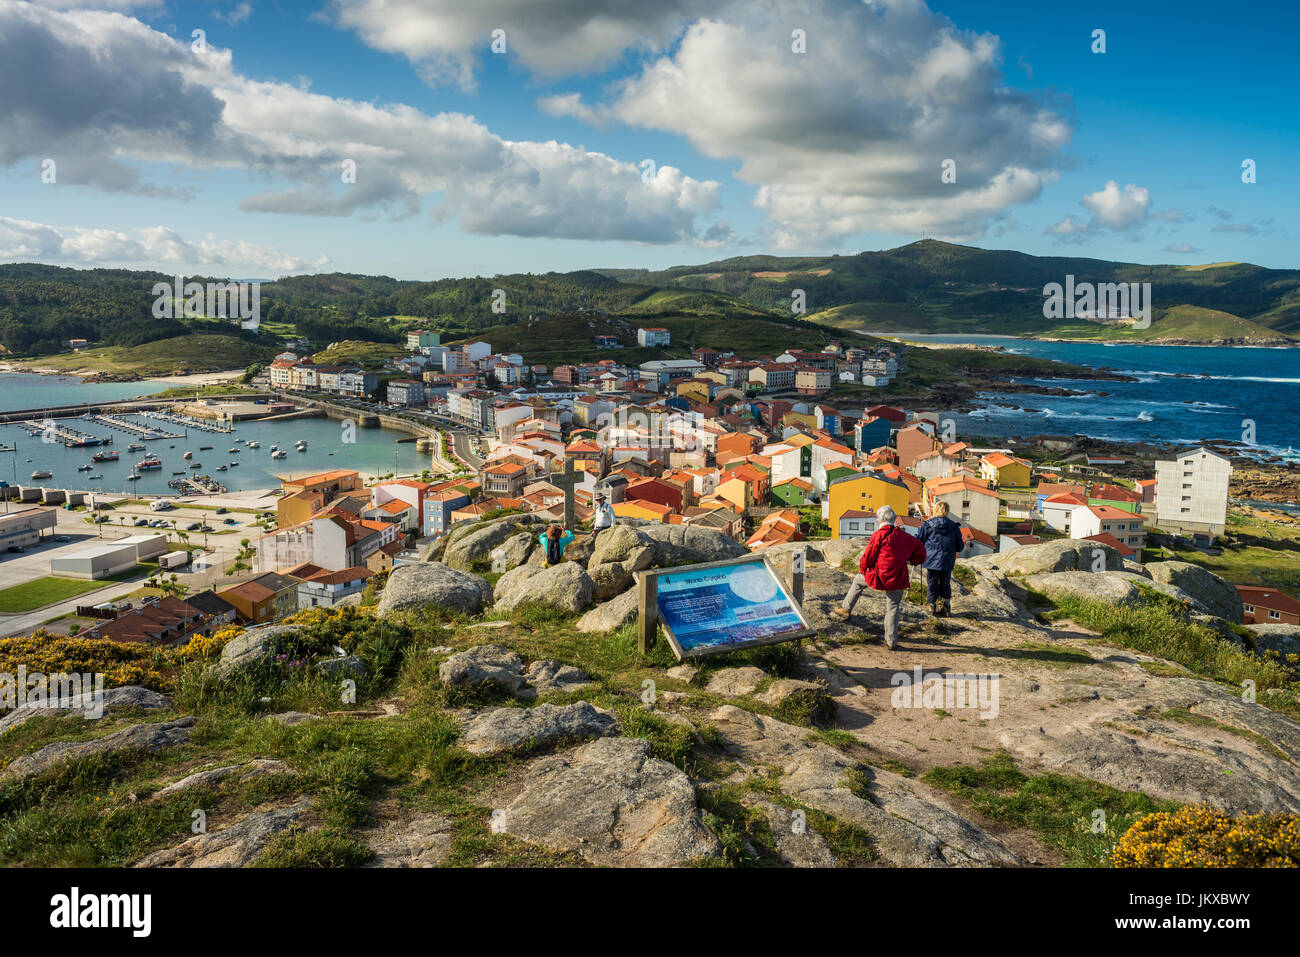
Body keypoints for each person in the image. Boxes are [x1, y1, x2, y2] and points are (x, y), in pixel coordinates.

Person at [829, 505, 925, 649]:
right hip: (897, 578)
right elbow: (921, 553)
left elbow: (867, 557)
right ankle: (891, 641)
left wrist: (863, 570)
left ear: (879, 520)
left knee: (857, 581)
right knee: (892, 608)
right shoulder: (906, 536)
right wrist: (911, 561)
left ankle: (845, 608)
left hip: (878, 576)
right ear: (894, 520)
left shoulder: (878, 535)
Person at [919, 501, 963, 617]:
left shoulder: (928, 525)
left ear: (935, 510)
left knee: (932, 582)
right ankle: (946, 606)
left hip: (932, 560)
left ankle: (932, 607)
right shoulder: (954, 526)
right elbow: (960, 546)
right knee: (945, 582)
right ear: (947, 511)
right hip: (947, 560)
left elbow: (919, 540)